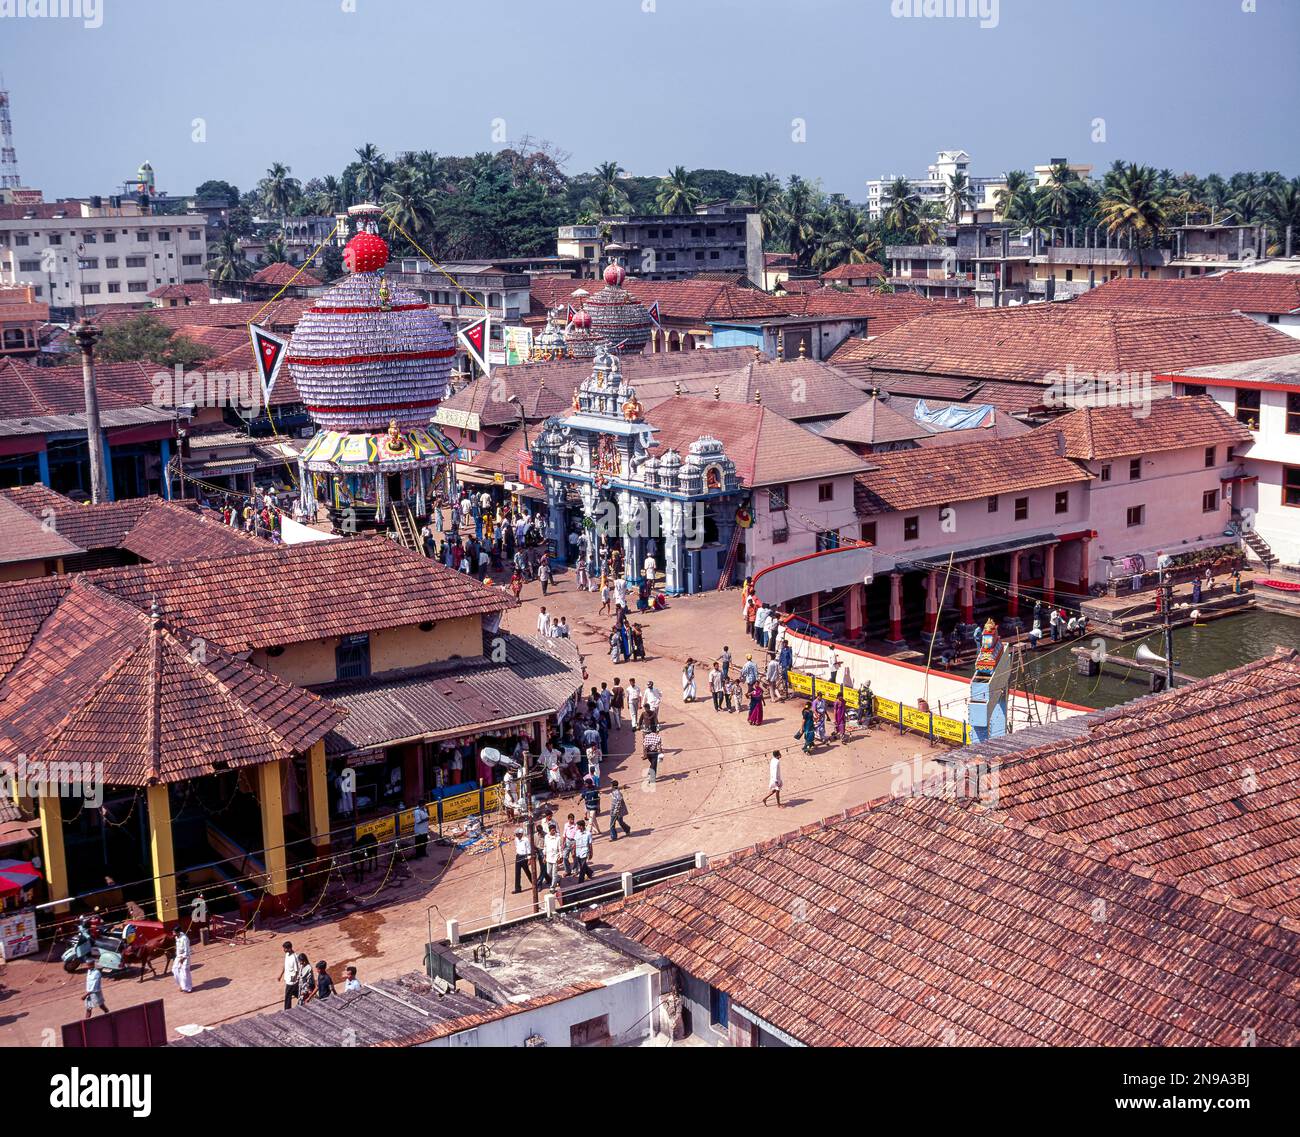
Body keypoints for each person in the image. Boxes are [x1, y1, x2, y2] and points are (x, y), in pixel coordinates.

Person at [172, 925, 193, 993]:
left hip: (185, 956)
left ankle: (188, 988)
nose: (172, 932)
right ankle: (182, 985)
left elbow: (187, 949)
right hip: (178, 956)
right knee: (175, 969)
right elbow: (178, 948)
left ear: (178, 932)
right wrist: (178, 957)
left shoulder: (184, 938)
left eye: (174, 931)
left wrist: (183, 958)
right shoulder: (176, 938)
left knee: (185, 971)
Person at [281, 941, 300, 1010]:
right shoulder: (287, 955)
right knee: (296, 993)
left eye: (285, 949)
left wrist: (293, 980)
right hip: (288, 979)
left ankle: (287, 1010)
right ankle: (306, 999)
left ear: (289, 948)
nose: (284, 950)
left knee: (288, 996)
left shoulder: (294, 958)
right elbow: (285, 965)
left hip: (291, 981)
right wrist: (280, 975)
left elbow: (296, 970)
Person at [542, 822, 561, 889]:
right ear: (550, 830)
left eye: (554, 830)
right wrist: (544, 856)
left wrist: (560, 857)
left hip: (555, 857)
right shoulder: (546, 837)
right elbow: (545, 846)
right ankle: (558, 878)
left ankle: (553, 887)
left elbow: (560, 848)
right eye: (553, 830)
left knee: (554, 873)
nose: (554, 831)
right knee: (549, 872)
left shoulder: (558, 837)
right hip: (548, 857)